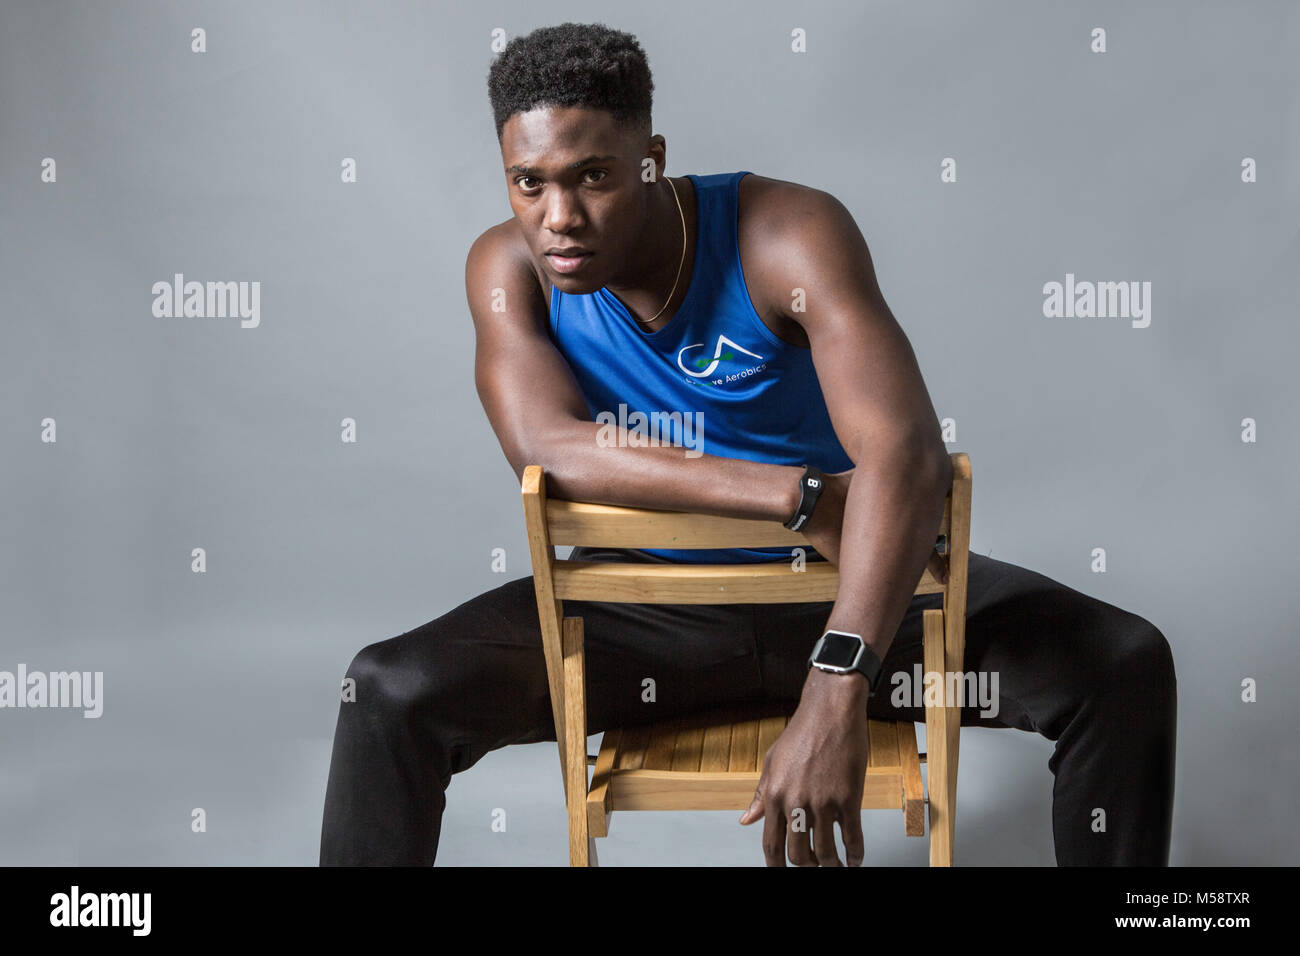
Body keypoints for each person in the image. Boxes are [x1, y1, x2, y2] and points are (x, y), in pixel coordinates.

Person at [319, 21, 1176, 867]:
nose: (560, 218)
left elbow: (907, 454)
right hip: (643, 620)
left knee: (1122, 664)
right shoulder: (505, 269)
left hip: (850, 597)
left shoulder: (784, 233)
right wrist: (794, 494)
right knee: (389, 690)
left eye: (593, 177)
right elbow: (551, 444)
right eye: (528, 183)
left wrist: (840, 678)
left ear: (651, 157)